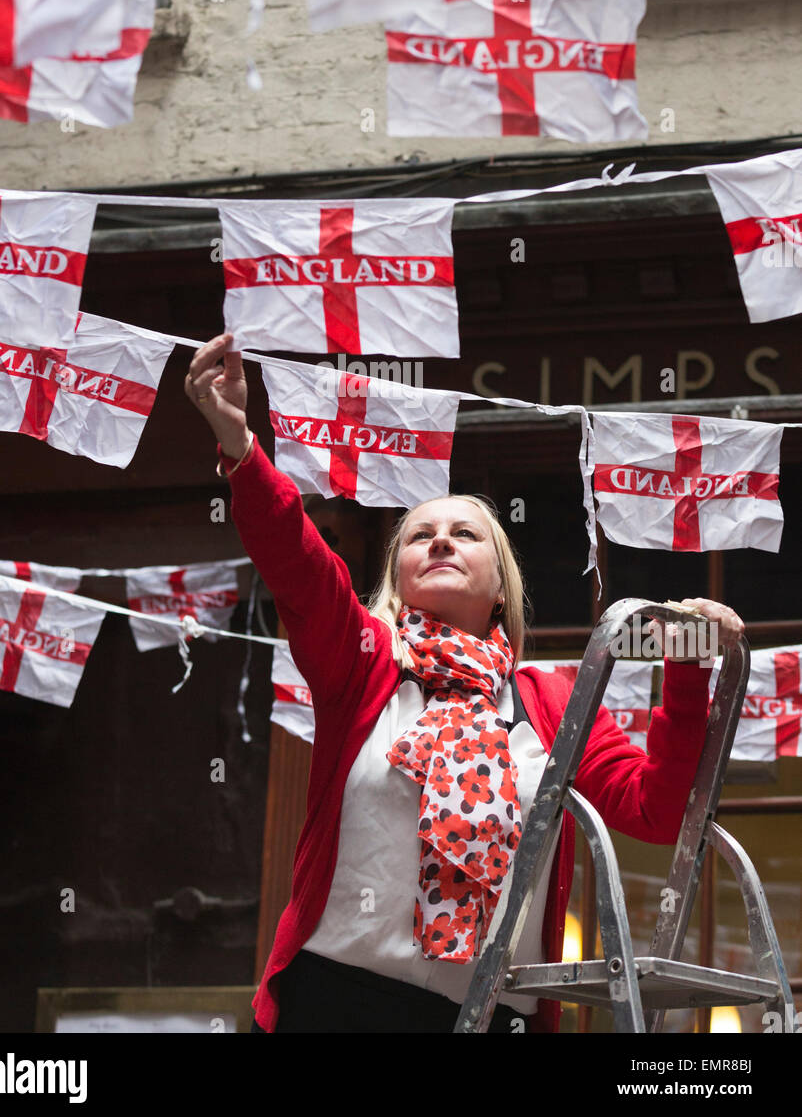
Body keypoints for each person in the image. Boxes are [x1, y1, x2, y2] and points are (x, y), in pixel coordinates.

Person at [185, 332, 745, 1034]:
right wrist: (241, 449)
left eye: (465, 534)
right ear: (398, 580)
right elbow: (299, 564)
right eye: (421, 536)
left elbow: (656, 813)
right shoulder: (363, 662)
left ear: (500, 590)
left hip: (491, 1019)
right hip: (339, 1003)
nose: (441, 541)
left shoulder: (555, 701)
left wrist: (688, 672)